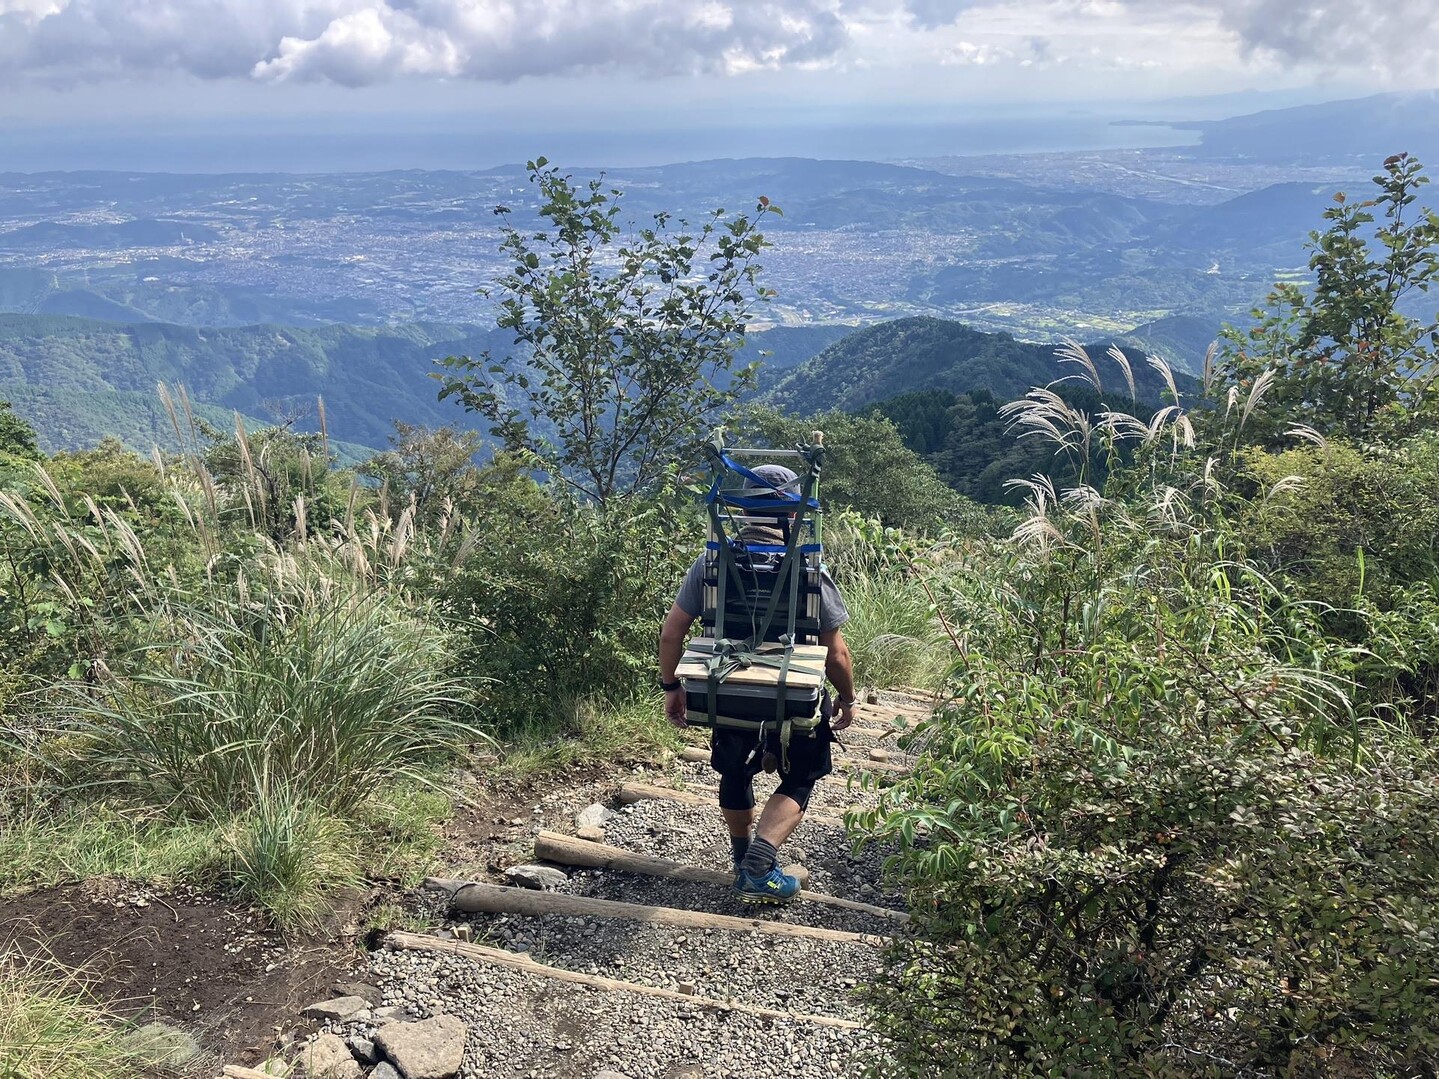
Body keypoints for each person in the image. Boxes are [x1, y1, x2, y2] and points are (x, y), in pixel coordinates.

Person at [658, 463, 858, 904]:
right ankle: (758, 865)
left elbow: (672, 632)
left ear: (746, 509)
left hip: (725, 691)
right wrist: (846, 699)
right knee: (802, 774)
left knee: (734, 769)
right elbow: (837, 654)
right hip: (791, 697)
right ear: (791, 514)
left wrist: (672, 686)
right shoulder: (808, 571)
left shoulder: (711, 562)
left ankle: (742, 855)